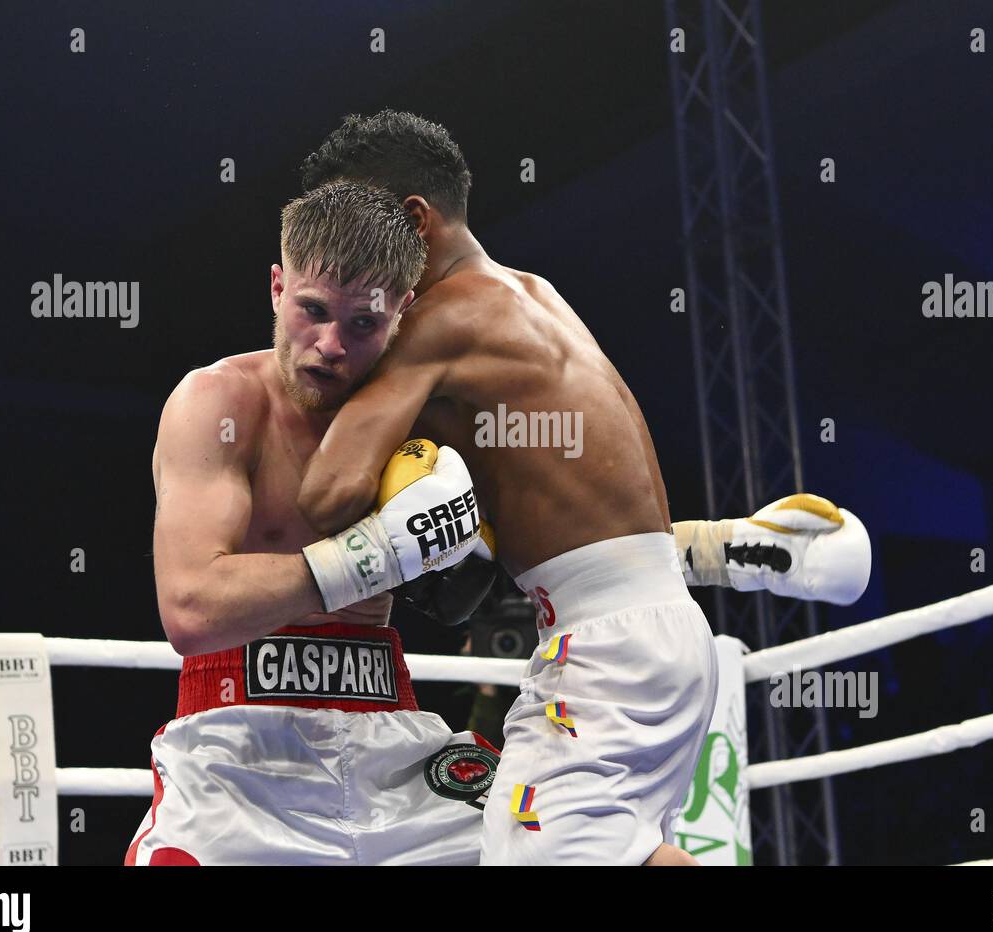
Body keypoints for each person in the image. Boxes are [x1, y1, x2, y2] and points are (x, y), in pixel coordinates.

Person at [297, 111, 871, 865]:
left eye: (354, 231)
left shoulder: (438, 322)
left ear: (414, 220)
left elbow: (325, 492)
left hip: (609, 649)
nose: (342, 262)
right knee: (576, 848)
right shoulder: (533, 295)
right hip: (645, 631)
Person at [125, 180, 497, 865]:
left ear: (401, 311)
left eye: (363, 325)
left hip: (391, 735)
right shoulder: (218, 404)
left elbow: (539, 565)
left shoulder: (425, 423)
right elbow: (190, 610)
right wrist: (380, 552)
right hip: (240, 745)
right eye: (313, 310)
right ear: (276, 287)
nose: (330, 345)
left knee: (571, 838)